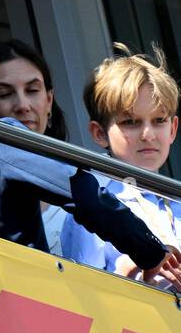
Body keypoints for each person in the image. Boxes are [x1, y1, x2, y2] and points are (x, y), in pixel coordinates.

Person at [0, 23, 179, 287]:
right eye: (4, 93)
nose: (22, 106)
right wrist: (150, 255)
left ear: (49, 98)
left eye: (32, 90)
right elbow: (88, 202)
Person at [62, 46, 181, 292]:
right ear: (99, 133)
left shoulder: (177, 199)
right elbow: (82, 298)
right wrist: (128, 273)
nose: (148, 134)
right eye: (131, 122)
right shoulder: (91, 203)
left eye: (159, 120)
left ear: (173, 129)